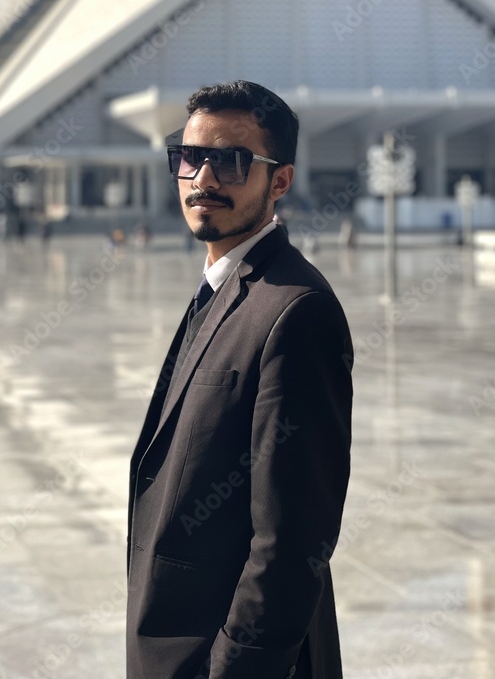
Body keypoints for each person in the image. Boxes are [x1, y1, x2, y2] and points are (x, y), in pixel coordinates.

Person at [127, 81, 354, 679]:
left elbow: (291, 543)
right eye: (190, 157)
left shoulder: (295, 310)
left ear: (280, 181)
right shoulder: (223, 289)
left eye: (230, 161)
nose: (203, 178)